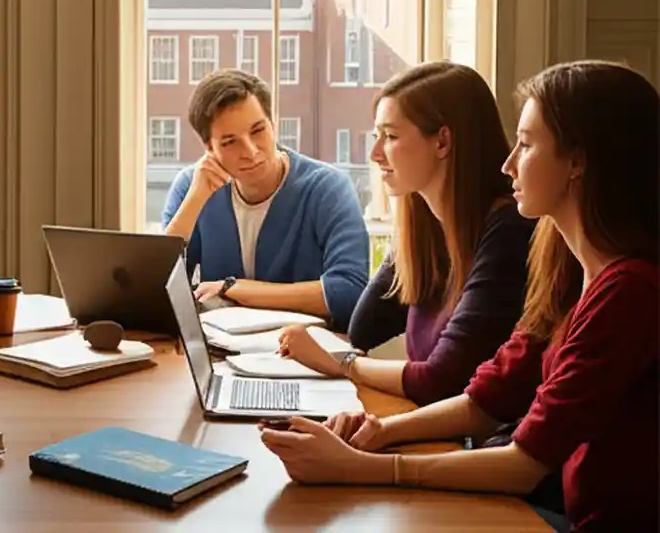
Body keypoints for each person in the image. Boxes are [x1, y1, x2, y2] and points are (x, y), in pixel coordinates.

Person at [260, 61, 658, 533]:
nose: (508, 163)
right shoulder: (569, 272)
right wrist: (379, 431)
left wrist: (362, 468)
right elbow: (484, 398)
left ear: (578, 161)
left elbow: (523, 463)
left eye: (527, 145)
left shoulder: (630, 292)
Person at [277, 62, 533, 404]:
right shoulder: (429, 224)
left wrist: (342, 364)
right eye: (377, 136)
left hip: (476, 446)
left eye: (391, 136)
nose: (375, 154)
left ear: (442, 141)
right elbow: (365, 327)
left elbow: (441, 379)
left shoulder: (508, 233)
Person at [161, 69, 369, 330]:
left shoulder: (327, 187)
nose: (250, 151)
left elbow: (349, 292)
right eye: (229, 142)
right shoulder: (192, 186)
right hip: (219, 353)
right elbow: (161, 289)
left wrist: (235, 289)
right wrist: (195, 200)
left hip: (307, 354)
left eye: (258, 130)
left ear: (273, 124)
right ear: (209, 149)